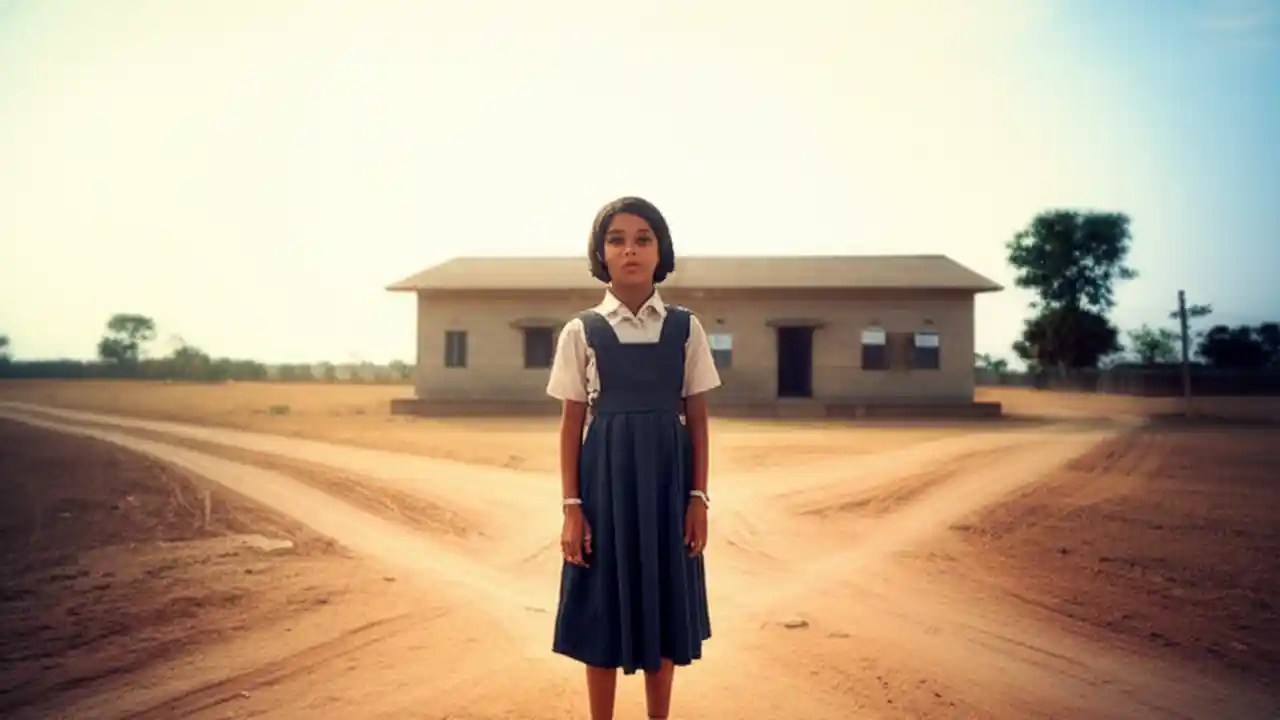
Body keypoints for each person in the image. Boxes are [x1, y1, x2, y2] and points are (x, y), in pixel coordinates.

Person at [546, 196, 721, 720]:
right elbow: (571, 423)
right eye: (617, 239)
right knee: (603, 605)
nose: (630, 250)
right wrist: (572, 507)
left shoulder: (685, 329)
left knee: (663, 604)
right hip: (606, 487)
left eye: (643, 239)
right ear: (602, 252)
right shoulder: (582, 331)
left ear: (660, 249)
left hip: (669, 486)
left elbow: (699, 418)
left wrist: (698, 497)